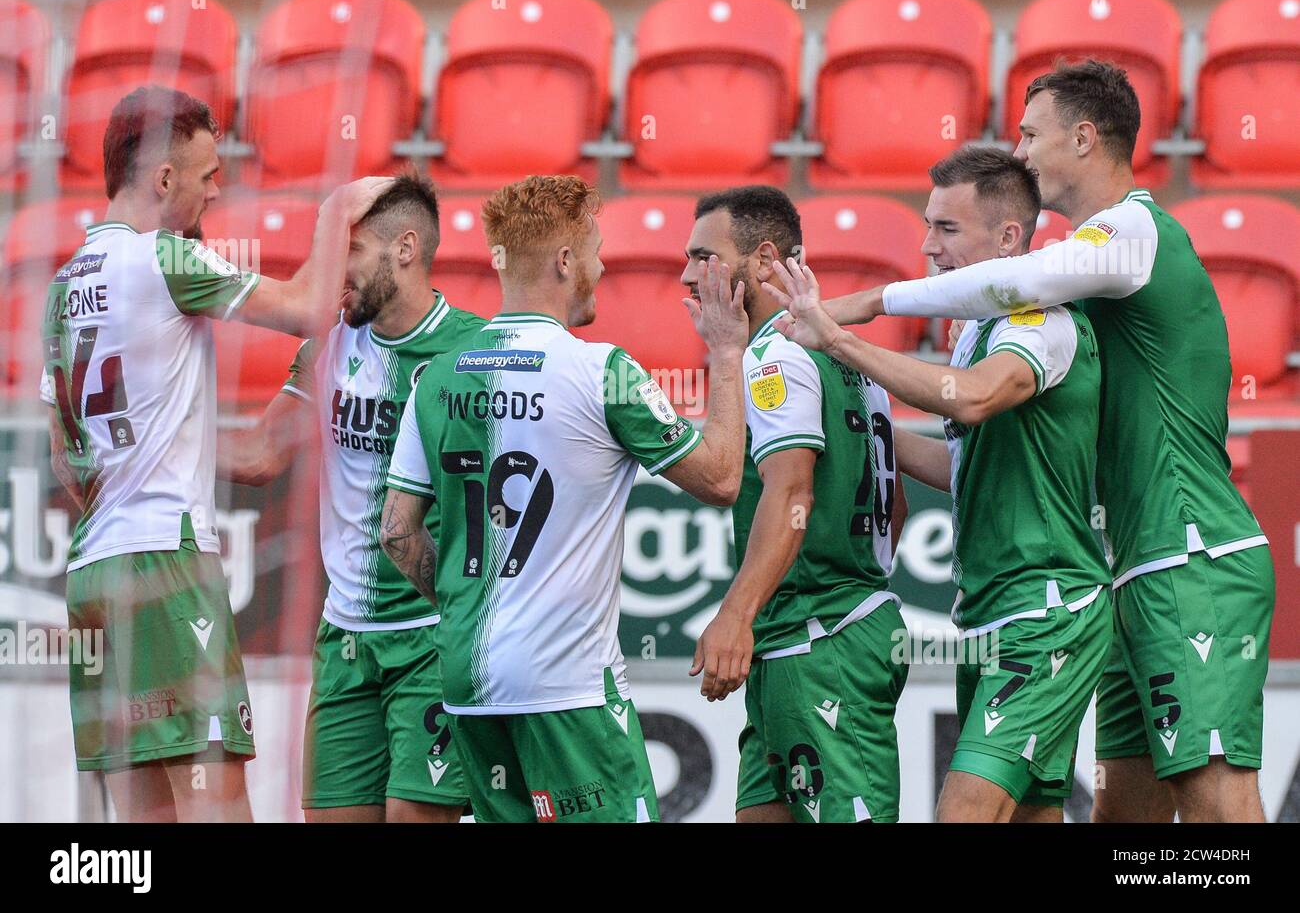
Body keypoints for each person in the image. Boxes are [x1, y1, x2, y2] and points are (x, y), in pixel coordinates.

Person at [817, 60, 1273, 823]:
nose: (1021, 151)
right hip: (1129, 567)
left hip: (1191, 553)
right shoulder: (1084, 274)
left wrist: (862, 307)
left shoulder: (1128, 231)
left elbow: (1008, 282)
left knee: (1217, 808)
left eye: (1031, 134)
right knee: (1126, 822)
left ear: (1085, 137)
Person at [39, 84, 388, 821]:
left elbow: (67, 462)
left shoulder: (62, 287)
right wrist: (334, 214)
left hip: (93, 575)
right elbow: (305, 305)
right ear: (163, 179)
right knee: (218, 806)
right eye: (206, 175)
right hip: (166, 563)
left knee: (140, 821)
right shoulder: (162, 258)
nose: (216, 190)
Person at [378, 174, 750, 822]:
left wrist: (474, 604)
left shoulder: (435, 376)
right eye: (596, 251)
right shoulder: (601, 370)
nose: (603, 267)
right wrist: (725, 351)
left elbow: (397, 533)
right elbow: (720, 478)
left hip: (470, 681)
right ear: (565, 261)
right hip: (567, 684)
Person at [770, 147, 1114, 821]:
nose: (928, 247)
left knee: (962, 813)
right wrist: (847, 423)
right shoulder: (980, 329)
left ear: (1010, 237)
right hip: (991, 614)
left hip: (1046, 611)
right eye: (928, 227)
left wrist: (838, 341)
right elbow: (962, 466)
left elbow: (975, 400)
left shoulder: (1039, 322)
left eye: (947, 229)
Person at [219, 171, 483, 822]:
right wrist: (148, 444)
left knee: (413, 816)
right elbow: (258, 455)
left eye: (351, 254)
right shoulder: (330, 343)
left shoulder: (475, 350)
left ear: (405, 249)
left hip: (432, 634)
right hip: (345, 638)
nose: (334, 276)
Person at [678, 186, 908, 824]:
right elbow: (896, 510)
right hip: (816, 637)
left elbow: (791, 494)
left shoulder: (772, 359)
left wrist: (735, 615)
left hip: (820, 640)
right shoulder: (848, 357)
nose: (686, 273)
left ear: (762, 261)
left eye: (704, 256)